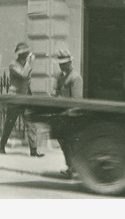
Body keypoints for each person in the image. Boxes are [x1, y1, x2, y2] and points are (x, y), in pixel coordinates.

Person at [0, 42, 42, 157]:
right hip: (15, 98)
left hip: (26, 98)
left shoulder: (26, 64)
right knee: (10, 123)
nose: (27, 55)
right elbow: (24, 75)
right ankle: (2, 145)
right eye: (25, 54)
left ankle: (34, 150)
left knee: (30, 123)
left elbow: (27, 81)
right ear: (21, 55)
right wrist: (29, 62)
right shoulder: (13, 65)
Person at [51, 48, 82, 178]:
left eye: (64, 64)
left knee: (71, 143)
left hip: (71, 115)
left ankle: (75, 168)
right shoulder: (60, 76)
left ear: (70, 63)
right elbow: (56, 92)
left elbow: (76, 101)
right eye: (60, 64)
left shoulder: (75, 78)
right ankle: (70, 167)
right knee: (63, 143)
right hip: (62, 114)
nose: (62, 66)